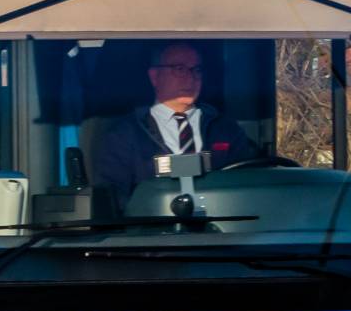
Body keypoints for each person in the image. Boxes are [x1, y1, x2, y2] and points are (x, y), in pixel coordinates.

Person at [92, 41, 256, 197]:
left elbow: (246, 187)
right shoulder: (124, 135)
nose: (190, 78)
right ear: (154, 76)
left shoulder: (226, 130)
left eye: (196, 70)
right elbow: (112, 198)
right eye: (179, 69)